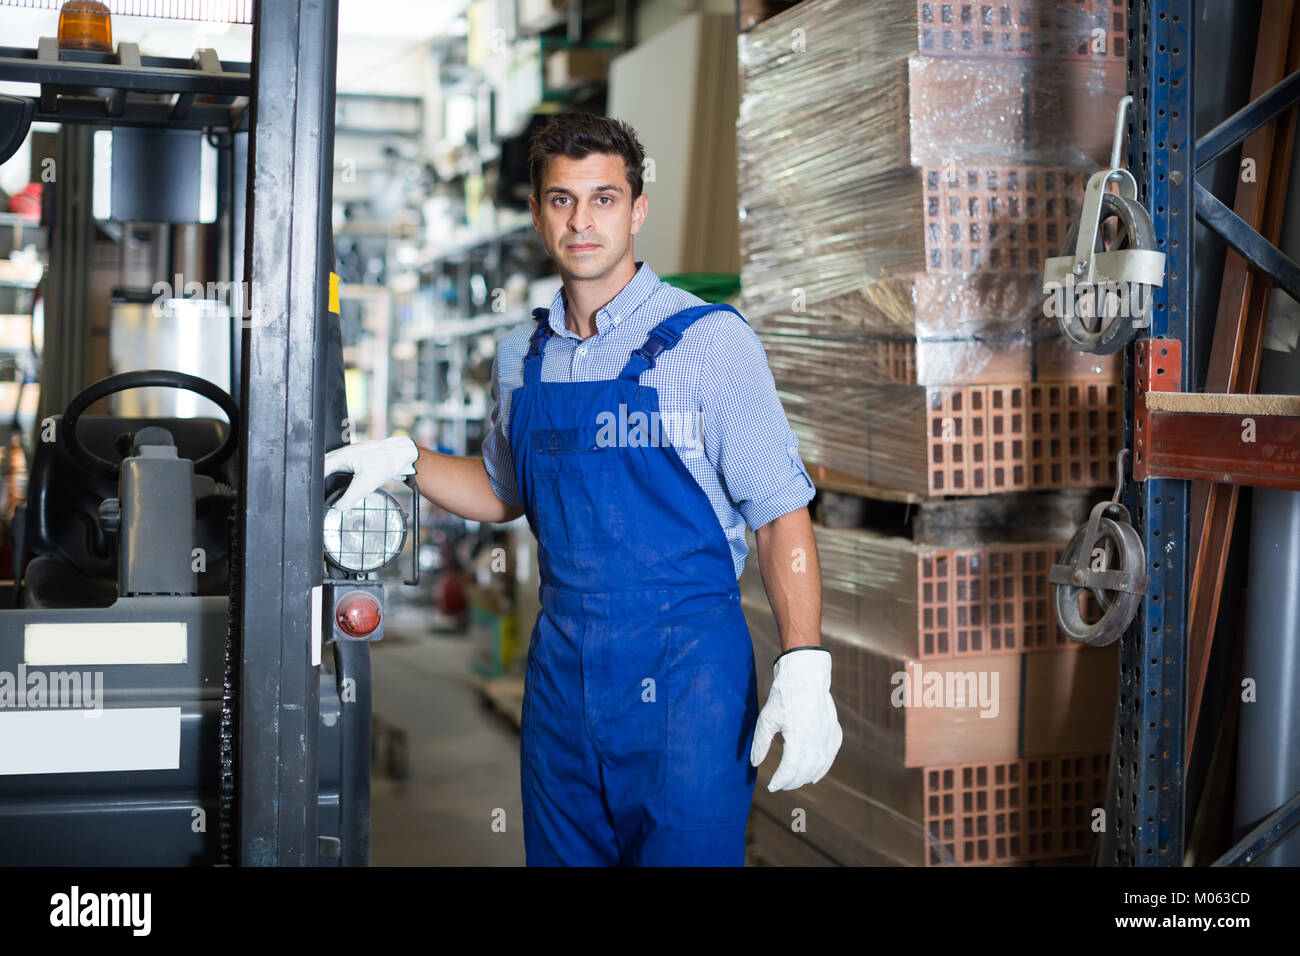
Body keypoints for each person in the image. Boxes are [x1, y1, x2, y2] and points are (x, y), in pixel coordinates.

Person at [325, 112, 842, 866]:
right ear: (537, 214)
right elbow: (503, 492)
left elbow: (779, 512)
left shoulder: (708, 343)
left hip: (686, 677)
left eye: (604, 198)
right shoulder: (521, 357)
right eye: (562, 200)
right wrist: (406, 459)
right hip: (563, 676)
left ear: (637, 209)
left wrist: (804, 662)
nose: (582, 220)